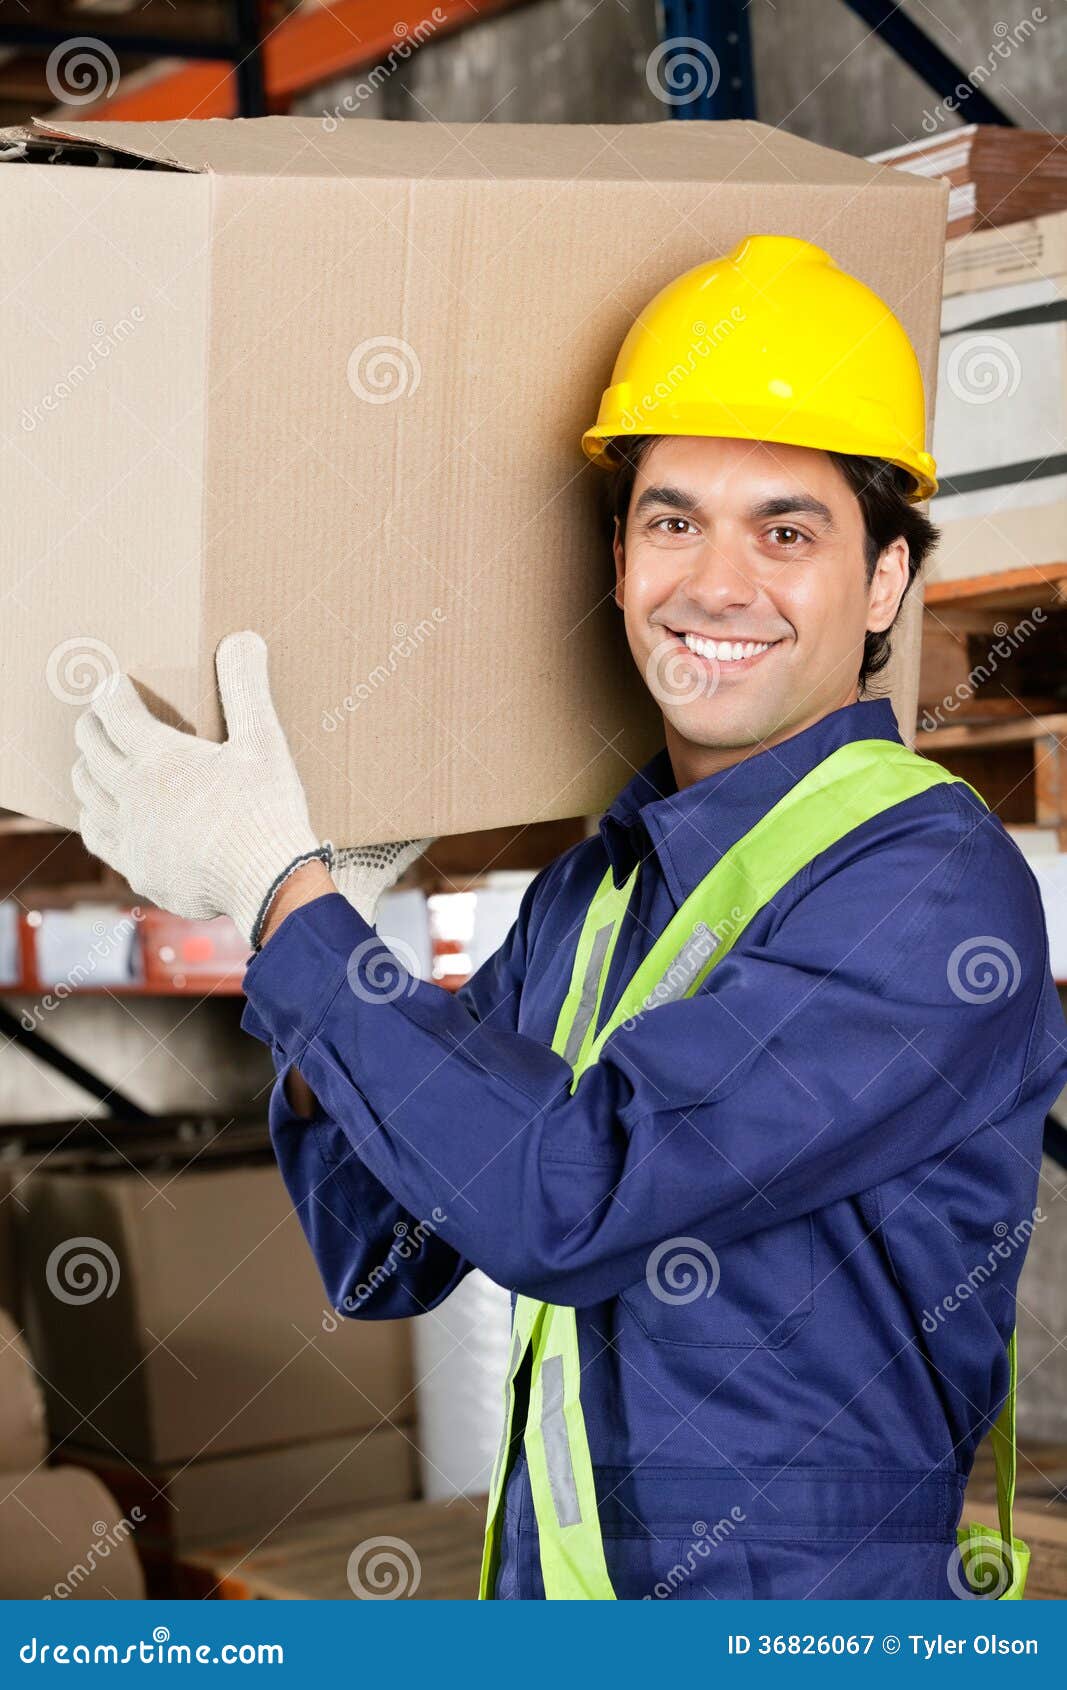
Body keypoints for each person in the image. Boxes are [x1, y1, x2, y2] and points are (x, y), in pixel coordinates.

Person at [72, 235, 1067, 1601]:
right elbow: (388, 1244)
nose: (715, 583)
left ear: (887, 578)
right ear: (616, 558)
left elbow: (570, 1198)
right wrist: (329, 930)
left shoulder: (926, 890)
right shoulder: (593, 896)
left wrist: (287, 903)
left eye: (787, 529)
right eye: (673, 520)